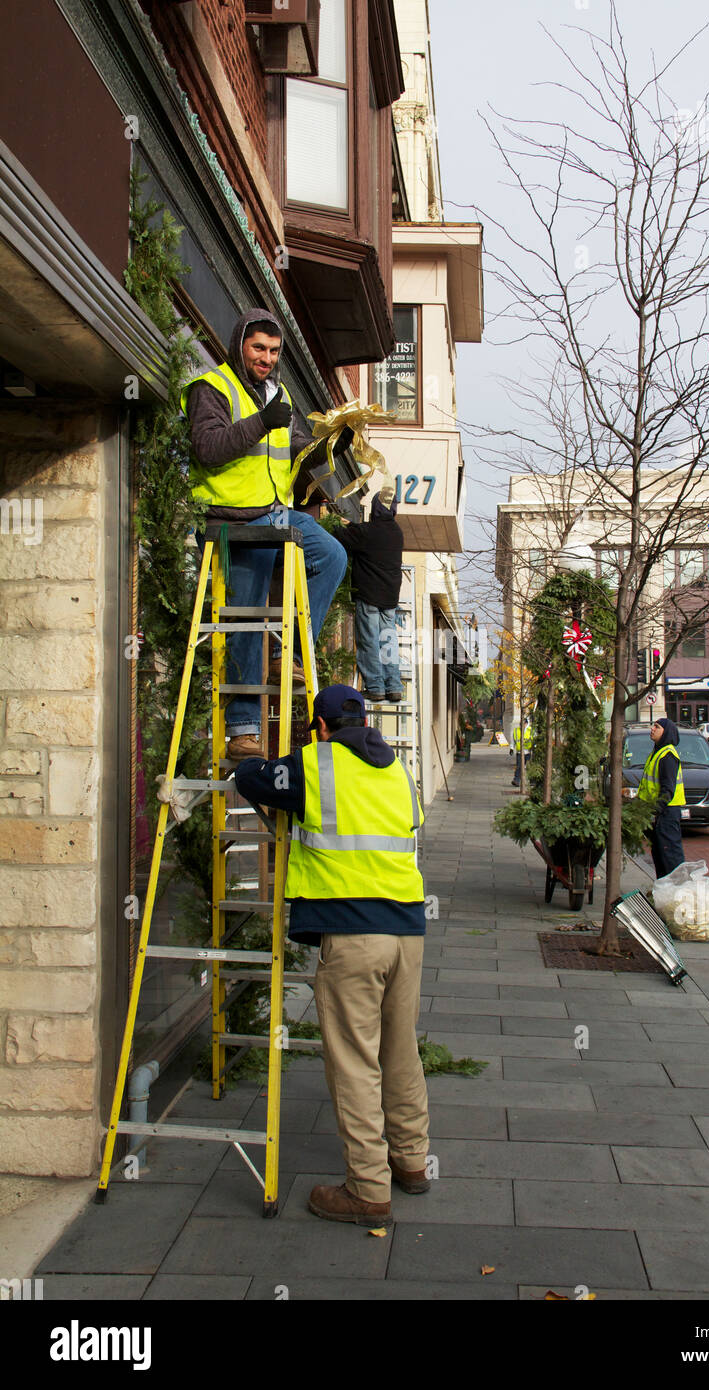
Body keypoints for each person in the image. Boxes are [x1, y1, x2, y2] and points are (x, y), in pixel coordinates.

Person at [233, 685, 430, 1226]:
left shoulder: (314, 764)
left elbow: (250, 779)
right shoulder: (398, 770)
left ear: (319, 726)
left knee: (353, 1061)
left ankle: (368, 1189)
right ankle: (412, 1161)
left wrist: (252, 754)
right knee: (400, 1050)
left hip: (351, 936)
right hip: (408, 932)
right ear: (364, 721)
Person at [181, 308, 347, 759]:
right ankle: (243, 730)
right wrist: (262, 421)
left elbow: (293, 452)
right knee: (245, 619)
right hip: (231, 522)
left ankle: (289, 653)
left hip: (274, 514)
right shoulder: (211, 388)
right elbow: (209, 448)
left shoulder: (279, 393)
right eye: (259, 348)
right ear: (239, 345)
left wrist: (329, 446)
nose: (267, 358)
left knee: (331, 555)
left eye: (274, 351)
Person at [333, 489, 404, 702]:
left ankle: (375, 687)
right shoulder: (396, 532)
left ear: (375, 508)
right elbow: (367, 536)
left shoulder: (367, 531)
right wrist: (354, 527)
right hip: (390, 599)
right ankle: (393, 686)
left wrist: (338, 522)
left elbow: (342, 537)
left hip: (369, 596)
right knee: (387, 640)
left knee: (369, 641)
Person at [638, 717, 686, 877]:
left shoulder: (667, 755)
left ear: (666, 732)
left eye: (657, 727)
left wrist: (656, 810)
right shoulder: (657, 752)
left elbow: (668, 789)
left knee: (670, 858)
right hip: (659, 814)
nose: (652, 729)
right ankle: (663, 891)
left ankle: (677, 893)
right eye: (653, 726)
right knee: (659, 856)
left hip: (666, 814)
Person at [511, 720, 533, 787]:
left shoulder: (531, 730)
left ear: (526, 724)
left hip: (528, 752)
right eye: (520, 724)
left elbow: (533, 739)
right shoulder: (516, 730)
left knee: (529, 767)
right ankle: (516, 780)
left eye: (523, 724)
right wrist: (511, 748)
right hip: (519, 752)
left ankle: (532, 780)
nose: (521, 726)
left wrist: (534, 747)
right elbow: (513, 740)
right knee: (519, 766)